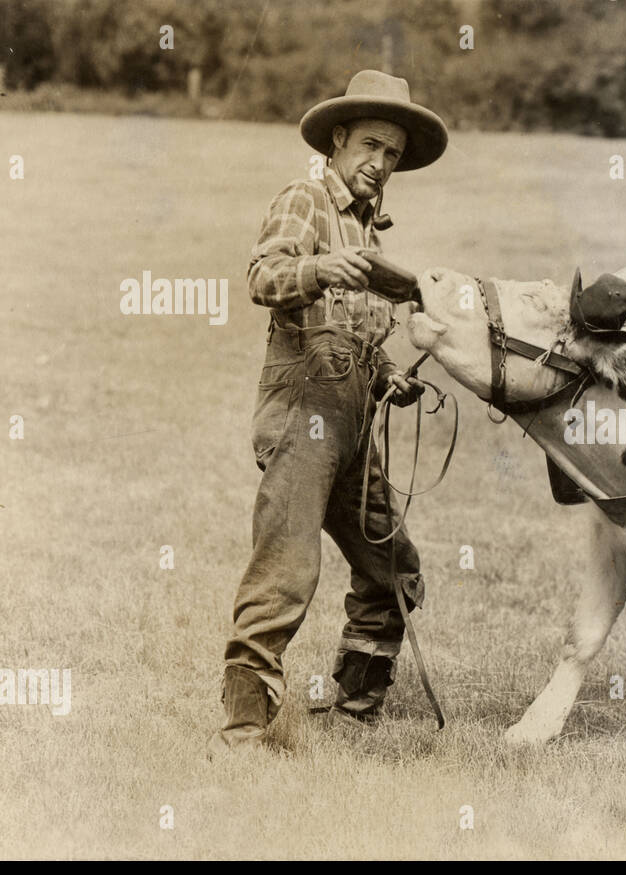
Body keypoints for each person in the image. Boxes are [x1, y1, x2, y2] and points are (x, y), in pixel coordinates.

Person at [207, 71, 448, 755]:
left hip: (353, 422)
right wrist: (319, 269)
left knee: (393, 565)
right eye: (370, 145)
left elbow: (358, 335)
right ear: (339, 139)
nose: (379, 164)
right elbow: (262, 277)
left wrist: (392, 376)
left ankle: (356, 709)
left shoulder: (371, 229)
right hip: (301, 415)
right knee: (286, 569)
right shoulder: (306, 198)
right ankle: (244, 733)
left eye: (393, 154)